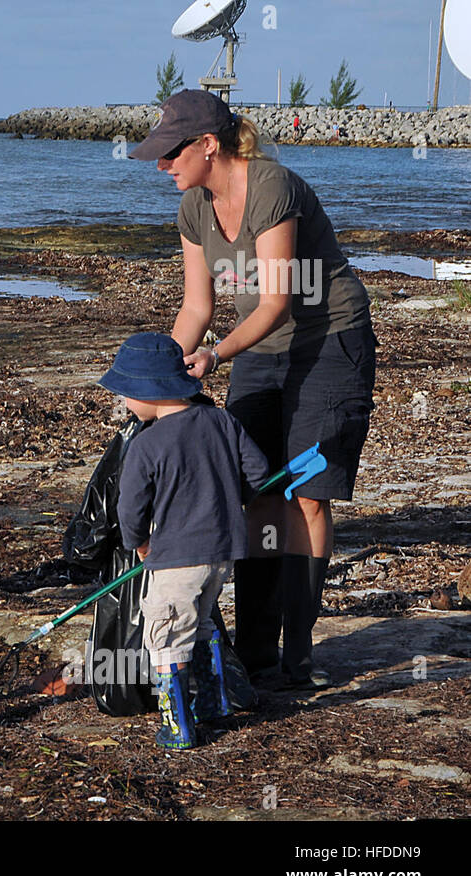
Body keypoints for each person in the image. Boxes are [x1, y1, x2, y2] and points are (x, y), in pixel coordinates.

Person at [129, 89, 376, 690]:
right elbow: (196, 306)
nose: (162, 165)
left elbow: (276, 300)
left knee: (307, 497)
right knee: (259, 490)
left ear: (207, 145)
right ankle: (257, 650)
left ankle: (298, 654)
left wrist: (215, 353)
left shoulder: (273, 187)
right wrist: (156, 380)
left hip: (327, 343)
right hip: (257, 351)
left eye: (170, 153)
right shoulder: (194, 207)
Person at [100, 333, 270, 749]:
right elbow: (260, 473)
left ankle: (177, 727)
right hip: (222, 552)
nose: (125, 404)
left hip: (175, 556)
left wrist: (138, 543)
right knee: (203, 620)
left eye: (126, 395)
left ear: (148, 392)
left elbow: (130, 507)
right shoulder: (223, 422)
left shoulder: (148, 443)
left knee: (166, 632)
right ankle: (213, 705)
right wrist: (233, 498)